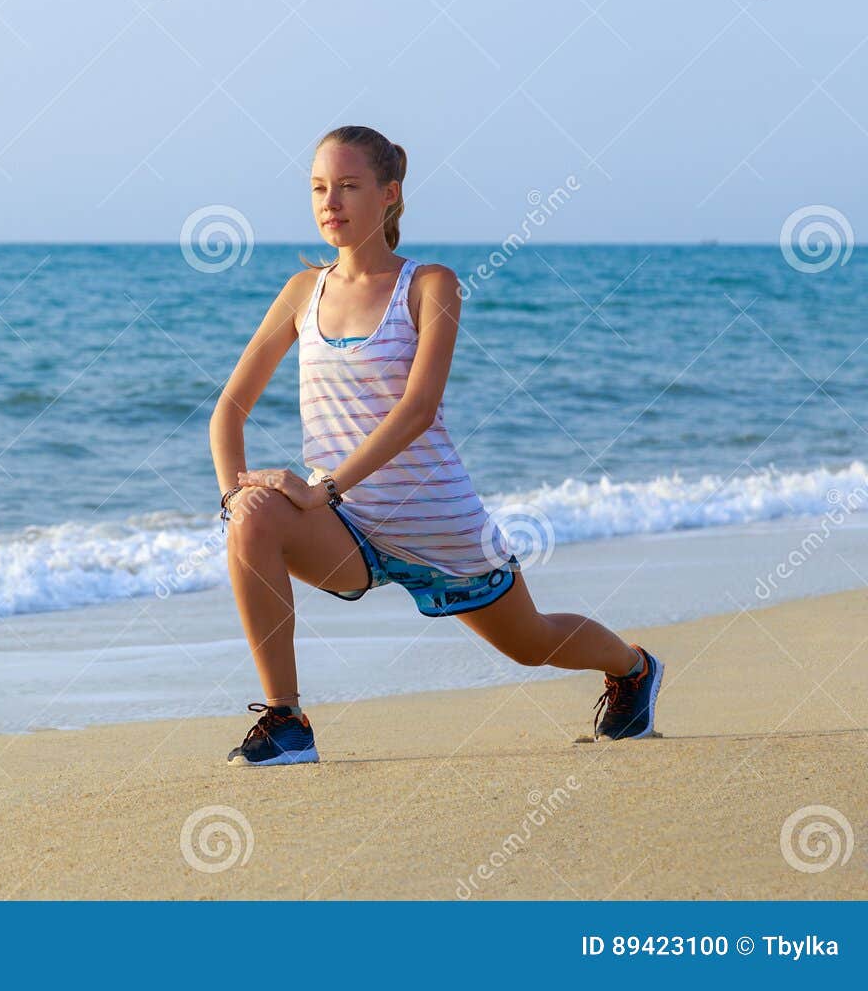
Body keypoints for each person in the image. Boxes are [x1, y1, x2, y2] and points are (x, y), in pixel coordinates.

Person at [208, 125, 663, 767]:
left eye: (347, 186)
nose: (329, 202)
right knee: (253, 516)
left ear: (389, 195)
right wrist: (234, 499)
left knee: (530, 644)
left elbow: (418, 411)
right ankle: (287, 722)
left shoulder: (430, 286)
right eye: (317, 188)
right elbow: (229, 410)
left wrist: (321, 487)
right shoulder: (300, 293)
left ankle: (633, 668)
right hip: (344, 526)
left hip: (439, 525)